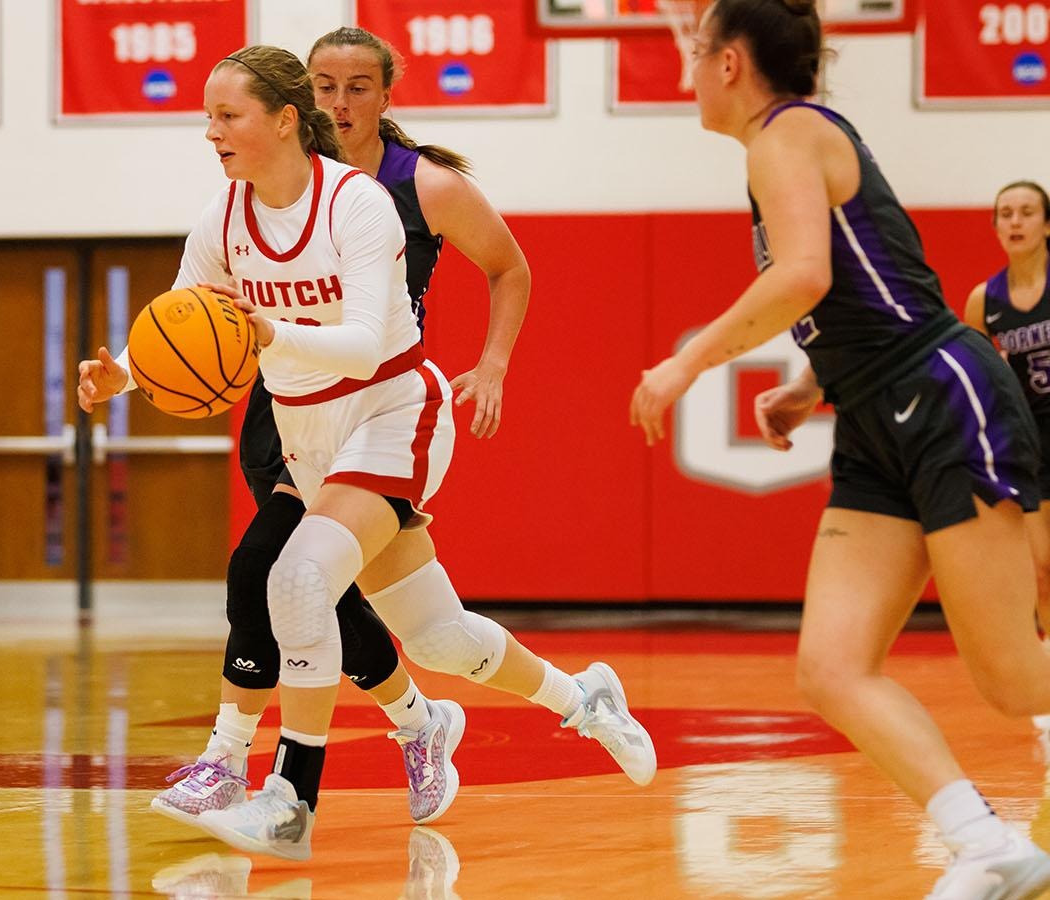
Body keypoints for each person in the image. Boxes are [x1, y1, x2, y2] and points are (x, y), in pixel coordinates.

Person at [81, 43, 654, 861]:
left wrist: (268, 331)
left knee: (298, 575)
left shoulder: (359, 205)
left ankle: (287, 798)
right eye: (208, 115)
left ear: (283, 121)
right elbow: (184, 324)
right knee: (438, 640)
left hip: (391, 411)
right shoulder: (223, 219)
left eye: (226, 115)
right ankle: (584, 698)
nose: (210, 131)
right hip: (308, 433)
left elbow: (359, 345)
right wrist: (125, 374)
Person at [629, 2, 1050, 896]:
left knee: (1015, 681)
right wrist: (812, 384)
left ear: (733, 63)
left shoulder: (787, 134)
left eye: (695, 52)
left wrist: (686, 363)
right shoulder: (783, 145)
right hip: (870, 413)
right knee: (831, 666)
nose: (686, 71)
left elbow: (805, 275)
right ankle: (985, 844)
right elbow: (872, 277)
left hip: (941, 396)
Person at [961, 180, 1050, 739]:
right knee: (1039, 570)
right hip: (1027, 444)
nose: (1015, 221)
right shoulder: (983, 300)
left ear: (1046, 224)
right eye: (1005, 213)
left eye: (1027, 212)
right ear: (996, 227)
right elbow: (974, 377)